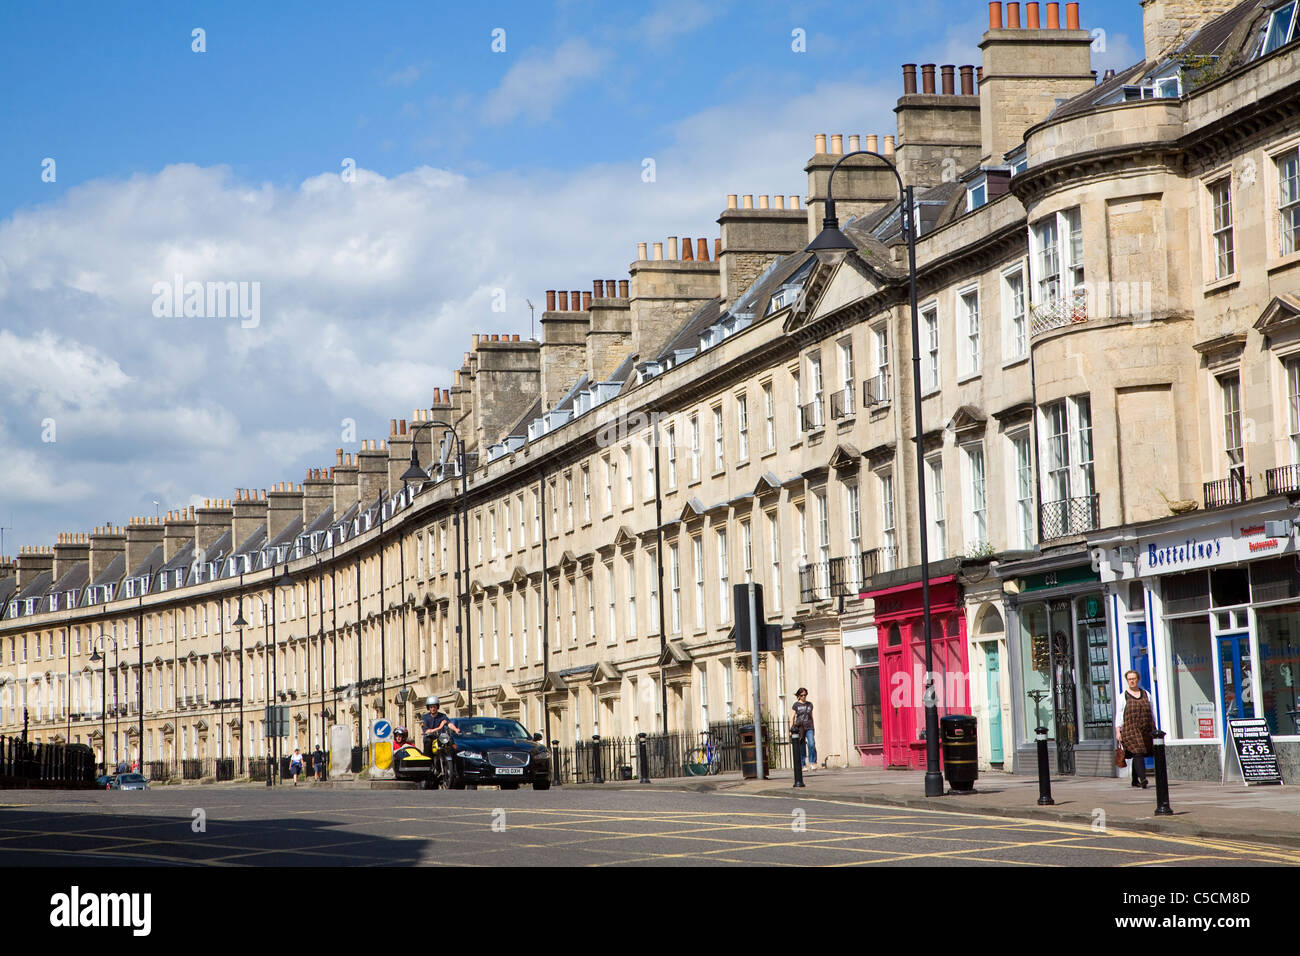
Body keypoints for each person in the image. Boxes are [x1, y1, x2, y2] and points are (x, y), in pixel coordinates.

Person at [1116, 669, 1155, 789]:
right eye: (1129, 679)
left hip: (1145, 727)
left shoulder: (1146, 694)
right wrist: (1118, 730)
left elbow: (1152, 711)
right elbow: (1119, 714)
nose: (1132, 681)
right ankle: (1143, 779)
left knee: (1138, 753)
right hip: (1130, 729)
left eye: (1133, 679)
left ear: (1138, 679)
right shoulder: (1123, 696)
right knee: (1138, 751)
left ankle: (1134, 780)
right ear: (1127, 681)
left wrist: (1154, 726)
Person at [791, 688, 817, 772]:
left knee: (811, 743)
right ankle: (803, 765)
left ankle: (812, 762)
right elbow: (793, 717)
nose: (804, 697)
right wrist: (791, 730)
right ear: (798, 696)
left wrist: (813, 728)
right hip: (800, 728)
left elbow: (812, 716)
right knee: (801, 746)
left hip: (809, 727)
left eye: (805, 695)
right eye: (802, 695)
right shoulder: (796, 705)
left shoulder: (810, 704)